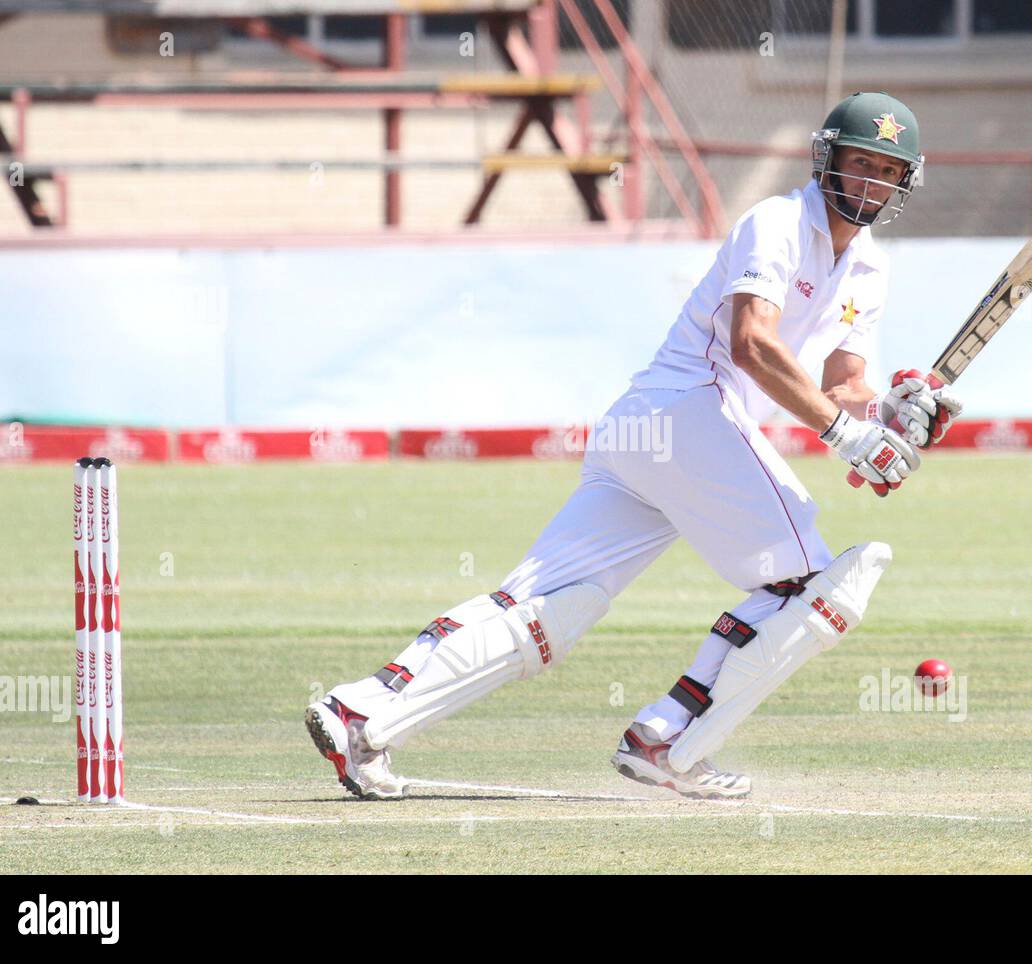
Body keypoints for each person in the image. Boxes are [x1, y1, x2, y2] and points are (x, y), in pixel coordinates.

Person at [305, 91, 963, 800]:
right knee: (811, 585)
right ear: (826, 160)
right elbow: (751, 343)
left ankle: (361, 713)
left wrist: (889, 410)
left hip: (652, 431)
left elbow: (843, 382)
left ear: (904, 182)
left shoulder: (870, 267)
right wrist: (848, 435)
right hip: (688, 410)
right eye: (859, 163)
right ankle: (667, 739)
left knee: (552, 604)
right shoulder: (777, 222)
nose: (870, 182)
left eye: (886, 171)